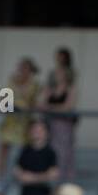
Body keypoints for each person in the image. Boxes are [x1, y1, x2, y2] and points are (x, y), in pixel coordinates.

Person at [13, 116, 58, 195]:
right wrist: (40, 177)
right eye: (34, 130)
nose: (36, 133)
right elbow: (18, 172)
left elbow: (53, 174)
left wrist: (31, 178)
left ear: (46, 133)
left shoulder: (50, 152)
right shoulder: (25, 150)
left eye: (40, 130)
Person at [0, 56, 40, 177]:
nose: (22, 71)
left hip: (25, 119)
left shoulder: (34, 85)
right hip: (11, 118)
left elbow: (35, 102)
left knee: (24, 148)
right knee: (4, 146)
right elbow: (3, 97)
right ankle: (0, 172)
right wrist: (9, 106)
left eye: (25, 68)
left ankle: (21, 172)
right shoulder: (12, 81)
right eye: (20, 68)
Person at [39, 46, 78, 180]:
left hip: (63, 123)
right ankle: (49, 174)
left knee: (63, 150)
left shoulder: (70, 88)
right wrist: (51, 107)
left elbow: (67, 107)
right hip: (49, 122)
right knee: (48, 146)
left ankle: (65, 176)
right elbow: (42, 102)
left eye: (60, 73)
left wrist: (50, 107)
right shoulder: (50, 88)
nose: (57, 75)